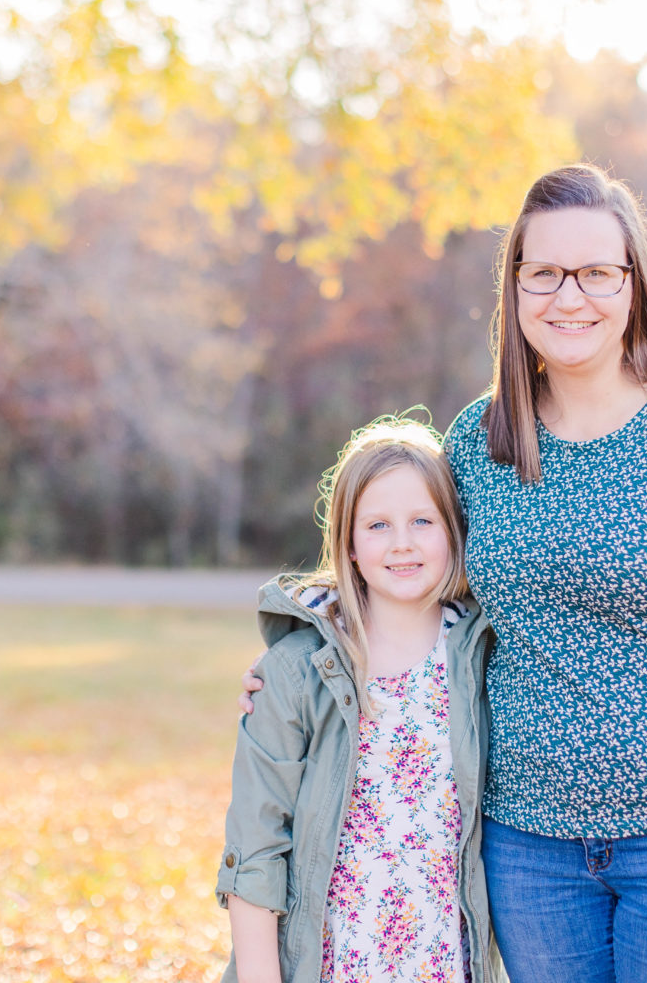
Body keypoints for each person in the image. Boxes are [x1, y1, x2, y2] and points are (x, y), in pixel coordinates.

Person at [243, 164, 647, 983]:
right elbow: (409, 561)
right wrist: (307, 648)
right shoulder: (485, 439)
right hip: (527, 851)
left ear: (633, 285)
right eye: (544, 273)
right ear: (515, 287)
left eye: (595, 273)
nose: (569, 297)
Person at [216, 417, 501, 983]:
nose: (402, 543)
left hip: (445, 962)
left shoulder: (484, 657)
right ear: (347, 542)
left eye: (423, 520)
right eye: (377, 525)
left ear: (455, 531)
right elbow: (256, 848)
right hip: (332, 962)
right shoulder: (299, 673)